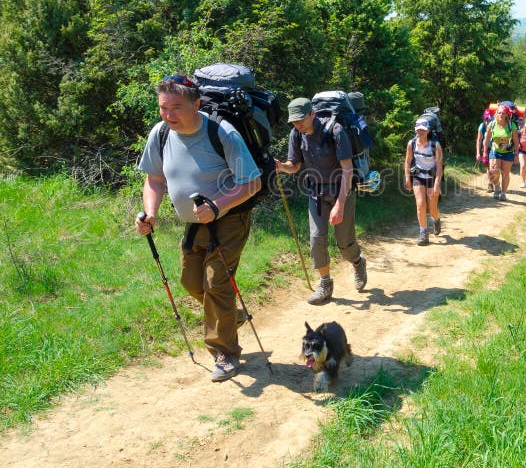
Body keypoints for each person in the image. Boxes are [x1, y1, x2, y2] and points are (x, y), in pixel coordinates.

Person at [135, 74, 262, 383]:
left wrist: (218, 205)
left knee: (216, 281)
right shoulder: (161, 133)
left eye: (176, 107)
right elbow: (154, 178)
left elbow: (252, 182)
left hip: (230, 217)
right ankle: (229, 316)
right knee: (190, 281)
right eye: (163, 108)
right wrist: (150, 213)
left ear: (197, 104)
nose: (168, 115)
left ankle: (225, 352)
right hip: (195, 222)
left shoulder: (222, 133)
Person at [274, 97, 368, 305]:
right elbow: (295, 165)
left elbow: (347, 170)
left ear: (312, 114)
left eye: (300, 119)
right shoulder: (296, 134)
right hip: (316, 193)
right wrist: (281, 166)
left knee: (344, 243)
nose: (297, 124)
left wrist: (340, 205)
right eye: (293, 121)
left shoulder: (335, 131)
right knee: (317, 239)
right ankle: (325, 283)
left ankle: (358, 262)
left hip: (341, 191)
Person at [405, 117, 444, 245]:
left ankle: (437, 219)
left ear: (427, 131)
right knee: (421, 204)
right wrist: (407, 178)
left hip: (432, 178)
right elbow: (408, 161)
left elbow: (439, 167)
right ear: (416, 130)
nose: (420, 132)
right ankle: (423, 232)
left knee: (432, 208)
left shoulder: (435, 145)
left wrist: (437, 184)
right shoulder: (411, 143)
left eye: (423, 130)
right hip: (418, 177)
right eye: (418, 130)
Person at [482, 104, 519, 201]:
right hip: (495, 151)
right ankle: (497, 186)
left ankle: (503, 193)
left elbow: (516, 140)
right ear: (496, 114)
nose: (501, 115)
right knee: (493, 171)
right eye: (499, 113)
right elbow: (486, 139)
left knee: (505, 173)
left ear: (507, 114)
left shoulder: (512, 125)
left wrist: (516, 154)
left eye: (503, 113)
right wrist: (485, 151)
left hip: (508, 152)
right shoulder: (492, 124)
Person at [476, 109, 493, 192]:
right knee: (489, 167)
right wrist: (478, 153)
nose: (487, 121)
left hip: (495, 149)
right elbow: (479, 140)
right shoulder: (482, 126)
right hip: (486, 149)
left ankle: (494, 182)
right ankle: (490, 184)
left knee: (494, 167)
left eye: (489, 119)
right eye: (486, 119)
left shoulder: (495, 125)